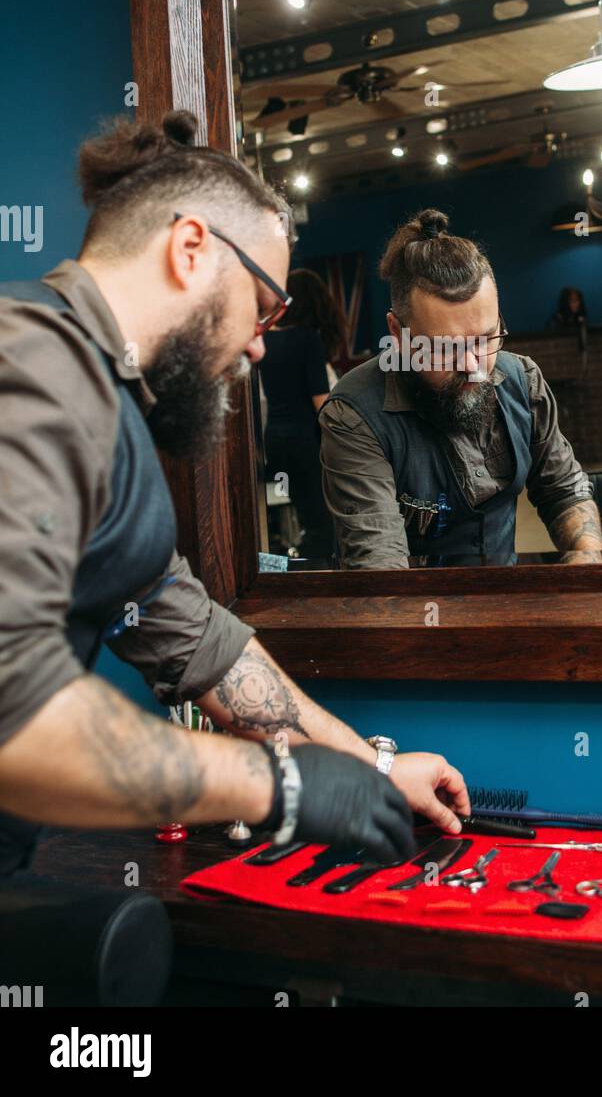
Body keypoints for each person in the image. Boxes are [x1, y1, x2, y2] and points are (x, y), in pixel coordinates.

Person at [0, 112, 469, 878]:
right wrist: (279, 785)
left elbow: (196, 641)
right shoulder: (35, 371)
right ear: (191, 250)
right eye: (265, 305)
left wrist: (370, 772)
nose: (260, 344)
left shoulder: (104, 401)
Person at [318, 207, 602, 569]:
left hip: (501, 602)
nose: (473, 367)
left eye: (486, 339)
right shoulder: (353, 415)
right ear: (397, 333)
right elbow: (379, 563)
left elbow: (563, 488)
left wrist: (586, 561)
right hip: (407, 613)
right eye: (446, 348)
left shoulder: (522, 380)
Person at [259, 269, 342, 559]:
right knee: (324, 524)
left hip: (276, 441)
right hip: (307, 441)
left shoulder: (265, 341)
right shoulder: (308, 339)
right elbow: (322, 402)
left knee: (307, 518)